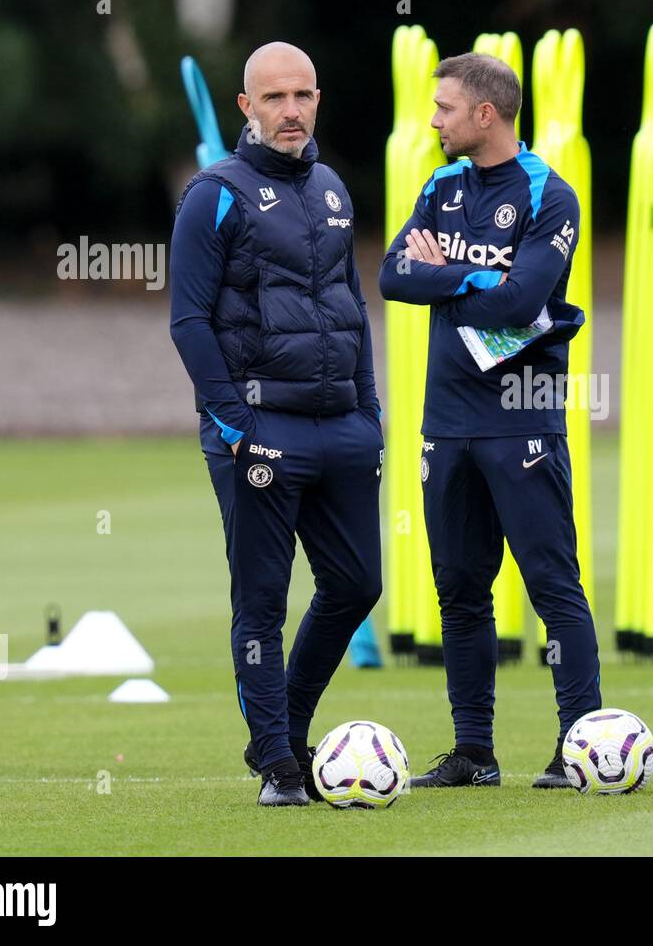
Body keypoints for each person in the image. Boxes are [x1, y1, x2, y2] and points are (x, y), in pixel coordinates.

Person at [169, 42, 384, 807]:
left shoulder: (330, 187)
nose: (290, 111)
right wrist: (233, 422)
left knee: (358, 585)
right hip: (258, 432)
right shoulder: (213, 194)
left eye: (302, 96)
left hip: (341, 428)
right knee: (261, 598)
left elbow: (351, 306)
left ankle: (289, 727)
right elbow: (189, 321)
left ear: (317, 100)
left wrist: (370, 413)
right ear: (246, 108)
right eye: (274, 99)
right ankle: (277, 765)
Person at [379, 52, 599, 789]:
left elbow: (523, 300)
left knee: (551, 585)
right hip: (446, 421)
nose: (433, 120)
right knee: (460, 590)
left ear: (486, 114)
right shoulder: (440, 185)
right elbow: (391, 276)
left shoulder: (549, 193)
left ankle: (581, 747)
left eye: (444, 108)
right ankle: (474, 752)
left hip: (522, 417)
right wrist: (476, 277)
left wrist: (447, 279)